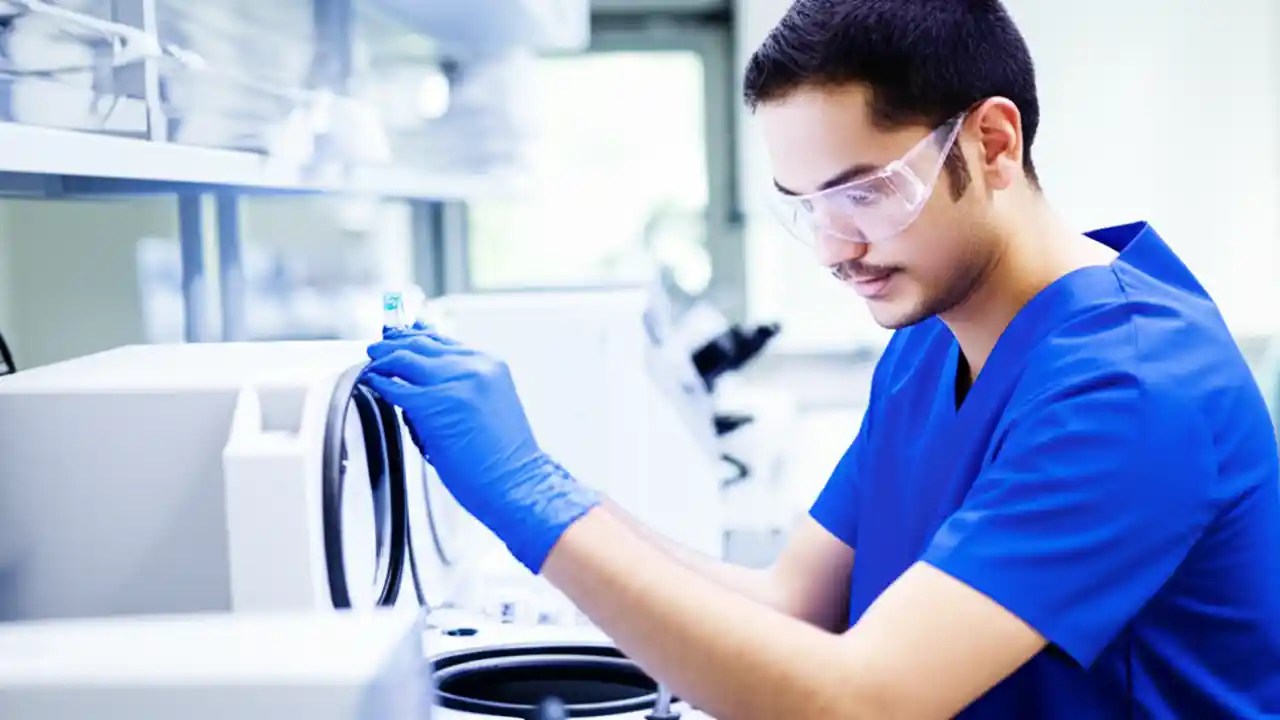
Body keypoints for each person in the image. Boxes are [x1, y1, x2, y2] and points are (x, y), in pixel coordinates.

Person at [362, 0, 1280, 716]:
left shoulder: (1132, 385)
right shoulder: (929, 341)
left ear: (993, 143)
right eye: (805, 206)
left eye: (866, 193)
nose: (836, 249)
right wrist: (545, 483)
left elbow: (863, 700)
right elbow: (789, 604)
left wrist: (529, 499)